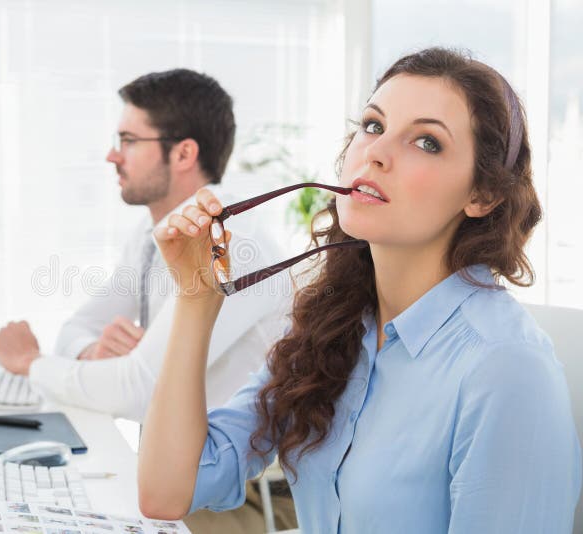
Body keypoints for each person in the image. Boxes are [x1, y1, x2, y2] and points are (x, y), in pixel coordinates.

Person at [138, 47, 582, 533]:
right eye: (373, 125)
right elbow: (167, 491)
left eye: (427, 142)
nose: (376, 152)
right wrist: (196, 297)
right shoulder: (334, 329)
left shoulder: (505, 369)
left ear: (483, 195)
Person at [0, 68, 289, 421]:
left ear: (183, 154)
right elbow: (76, 328)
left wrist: (30, 363)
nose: (112, 156)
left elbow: (140, 391)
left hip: (223, 469)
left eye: (129, 141)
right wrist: (94, 353)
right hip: (171, 460)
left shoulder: (232, 241)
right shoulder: (153, 235)